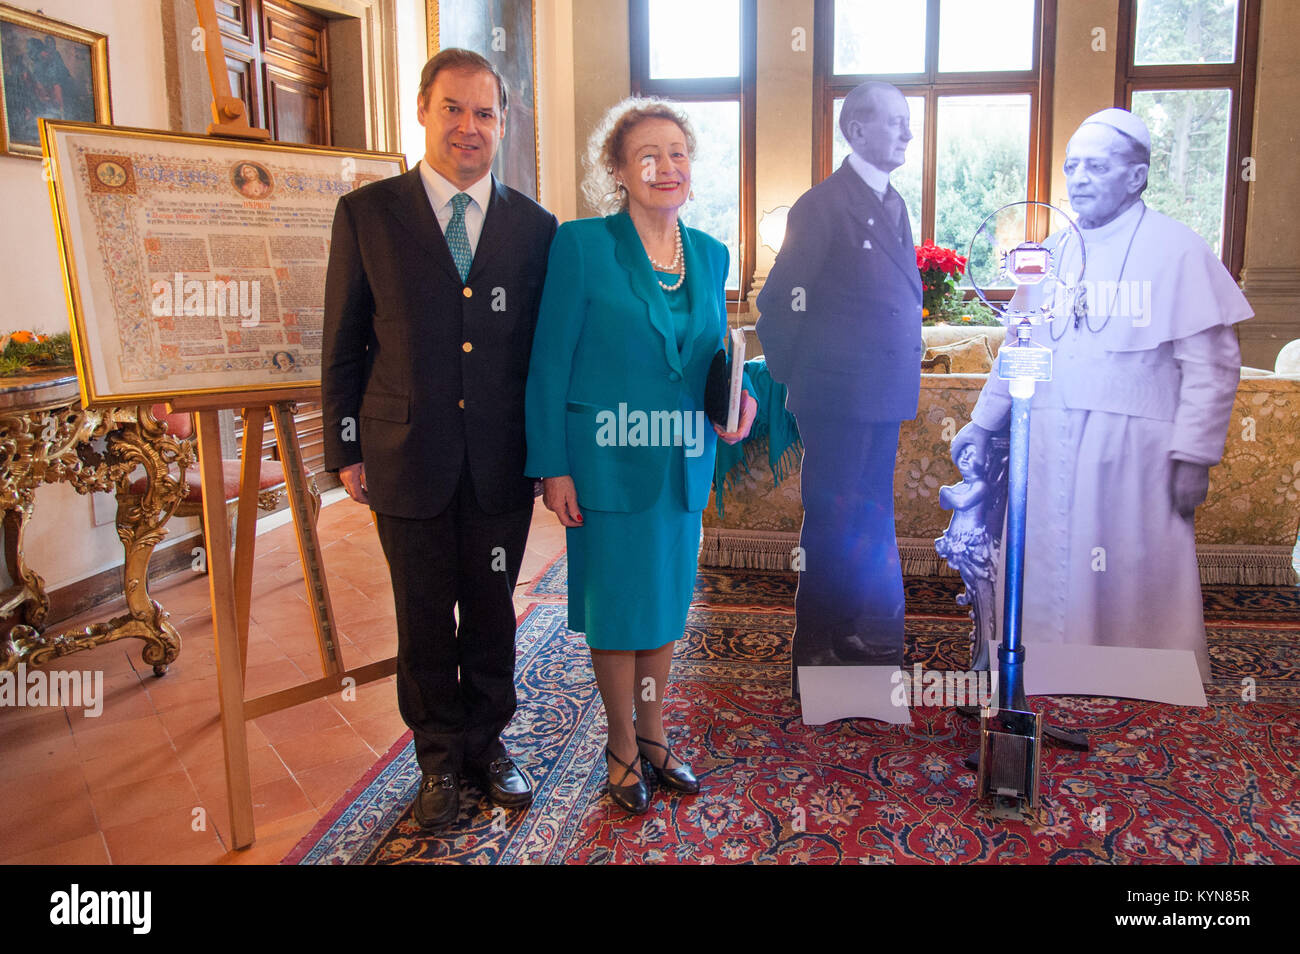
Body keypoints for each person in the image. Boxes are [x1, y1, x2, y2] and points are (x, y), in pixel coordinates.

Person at [321, 48, 557, 829]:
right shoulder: (368, 214)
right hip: (404, 457)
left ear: (503, 124)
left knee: (491, 607)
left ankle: (489, 747)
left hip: (498, 461)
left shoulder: (534, 227)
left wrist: (546, 451)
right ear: (422, 109)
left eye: (484, 112)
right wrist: (344, 447)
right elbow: (345, 341)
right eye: (453, 108)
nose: (468, 126)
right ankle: (436, 760)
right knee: (422, 615)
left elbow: (540, 352)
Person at [952, 108, 1252, 682]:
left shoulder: (1177, 249)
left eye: (1097, 166)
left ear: (1136, 177)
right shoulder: (1052, 251)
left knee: (1125, 570)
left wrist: (1195, 454)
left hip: (1132, 451)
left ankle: (1137, 677)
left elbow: (1213, 365)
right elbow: (1019, 341)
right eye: (1072, 166)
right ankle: (1046, 672)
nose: (1080, 177)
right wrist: (984, 422)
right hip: (1045, 442)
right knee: (1046, 570)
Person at [524, 99, 755, 815]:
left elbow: (711, 358)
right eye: (648, 154)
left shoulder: (712, 254)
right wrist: (551, 465)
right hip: (606, 466)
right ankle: (620, 745)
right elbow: (548, 363)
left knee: (663, 609)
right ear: (619, 170)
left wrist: (737, 402)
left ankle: (655, 737)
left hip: (683, 463)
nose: (667, 166)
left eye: (678, 152)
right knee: (617, 610)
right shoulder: (582, 245)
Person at [755, 81, 923, 690]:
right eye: (895, 122)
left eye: (909, 122)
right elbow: (779, 303)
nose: (907, 133)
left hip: (881, 398)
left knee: (867, 522)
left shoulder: (894, 202)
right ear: (855, 131)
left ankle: (848, 628)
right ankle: (815, 650)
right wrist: (800, 377)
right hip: (838, 400)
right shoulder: (822, 205)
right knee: (832, 522)